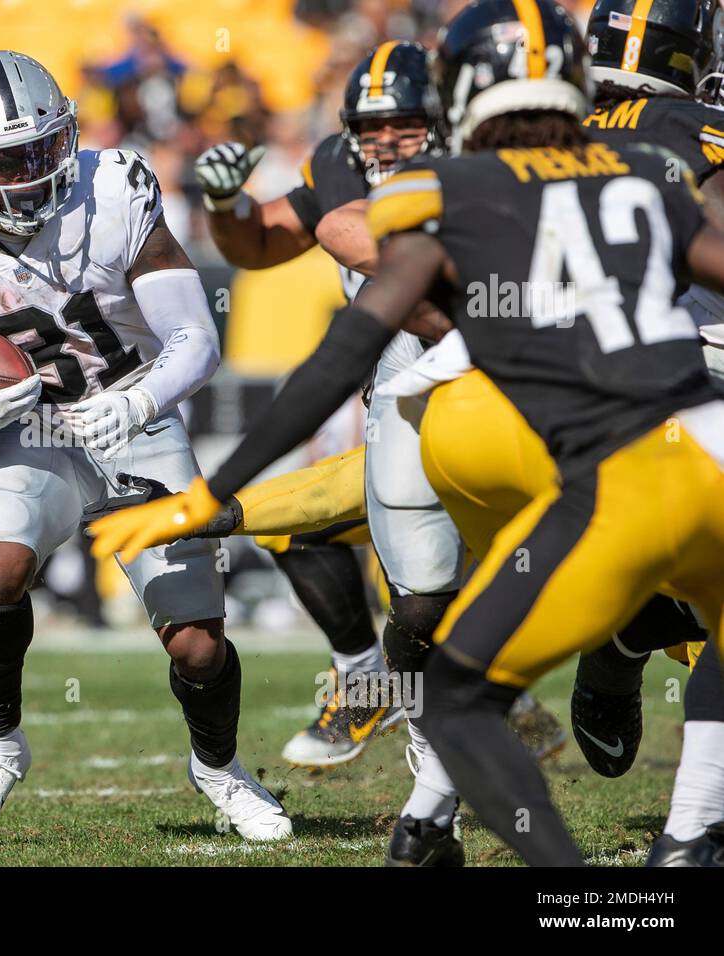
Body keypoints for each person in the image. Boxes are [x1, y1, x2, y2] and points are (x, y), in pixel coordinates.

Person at [91, 0, 724, 867]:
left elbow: (336, 357)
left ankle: (574, 885)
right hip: (708, 454)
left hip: (607, 486)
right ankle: (688, 835)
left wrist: (214, 493)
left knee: (458, 697)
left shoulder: (445, 189)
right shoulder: (648, 166)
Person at [0, 51, 290, 843]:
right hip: (31, 429)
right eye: (3, 159)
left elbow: (196, 338)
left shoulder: (113, 190)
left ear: (66, 133)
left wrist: (138, 398)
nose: (29, 172)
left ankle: (218, 766)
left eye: (40, 149)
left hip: (139, 414)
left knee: (199, 646)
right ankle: (0, 745)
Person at [189, 40, 564, 866]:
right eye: (373, 124)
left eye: (406, 122)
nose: (388, 139)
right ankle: (388, 703)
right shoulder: (339, 166)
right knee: (397, 589)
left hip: (510, 388)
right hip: (399, 392)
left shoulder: (481, 159)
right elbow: (260, 243)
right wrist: (224, 205)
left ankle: (567, 690)